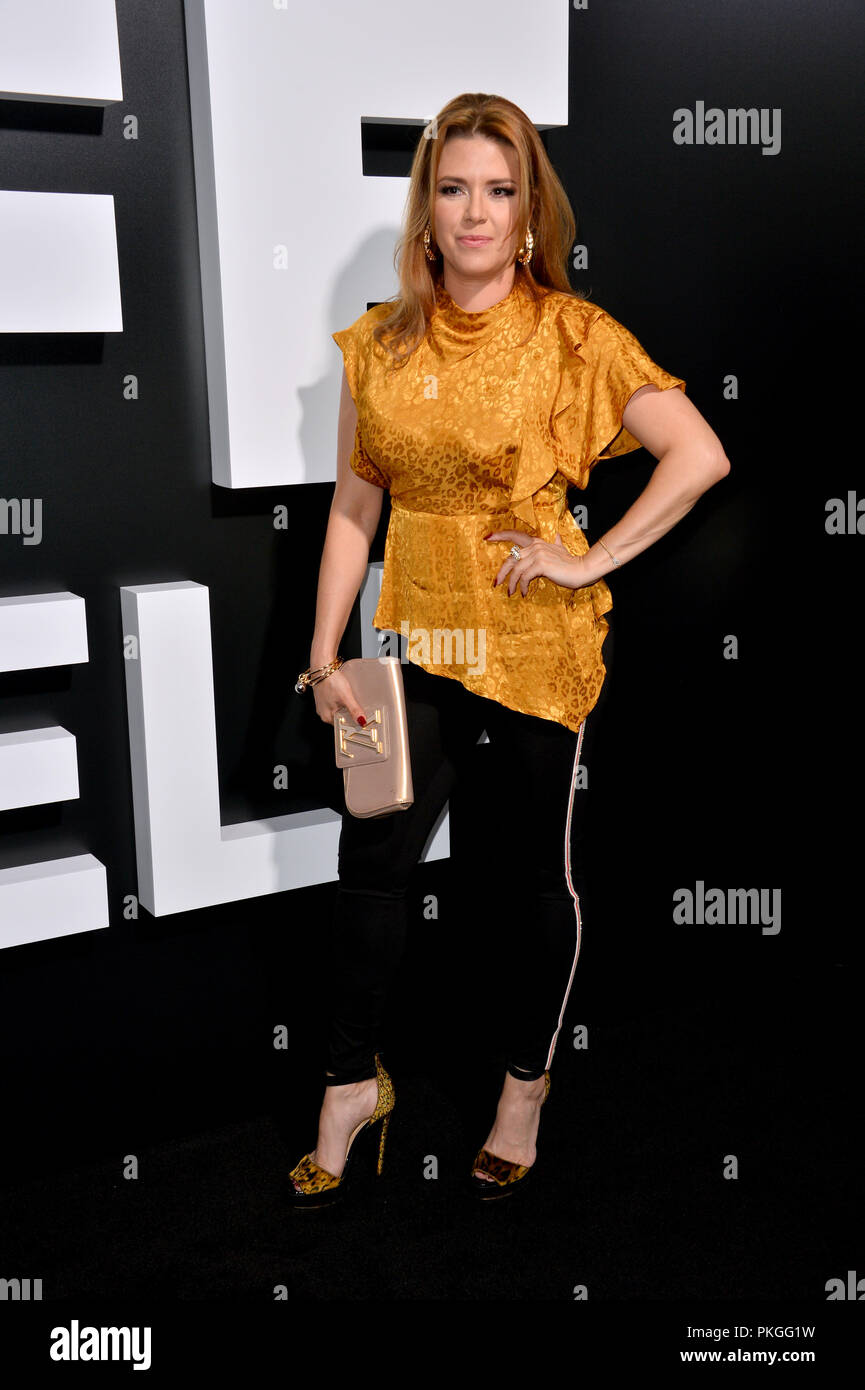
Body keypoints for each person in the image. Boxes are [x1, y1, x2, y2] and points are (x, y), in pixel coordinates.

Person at [288, 92, 730, 1206]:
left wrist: (587, 563)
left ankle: (523, 1088)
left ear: (528, 212)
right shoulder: (382, 341)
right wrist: (324, 651)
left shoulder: (571, 334)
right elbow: (353, 502)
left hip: (532, 643)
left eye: (498, 191)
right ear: (426, 208)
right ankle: (349, 1084)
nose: (475, 214)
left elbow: (697, 452)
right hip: (407, 638)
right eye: (453, 189)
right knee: (372, 859)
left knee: (531, 877)